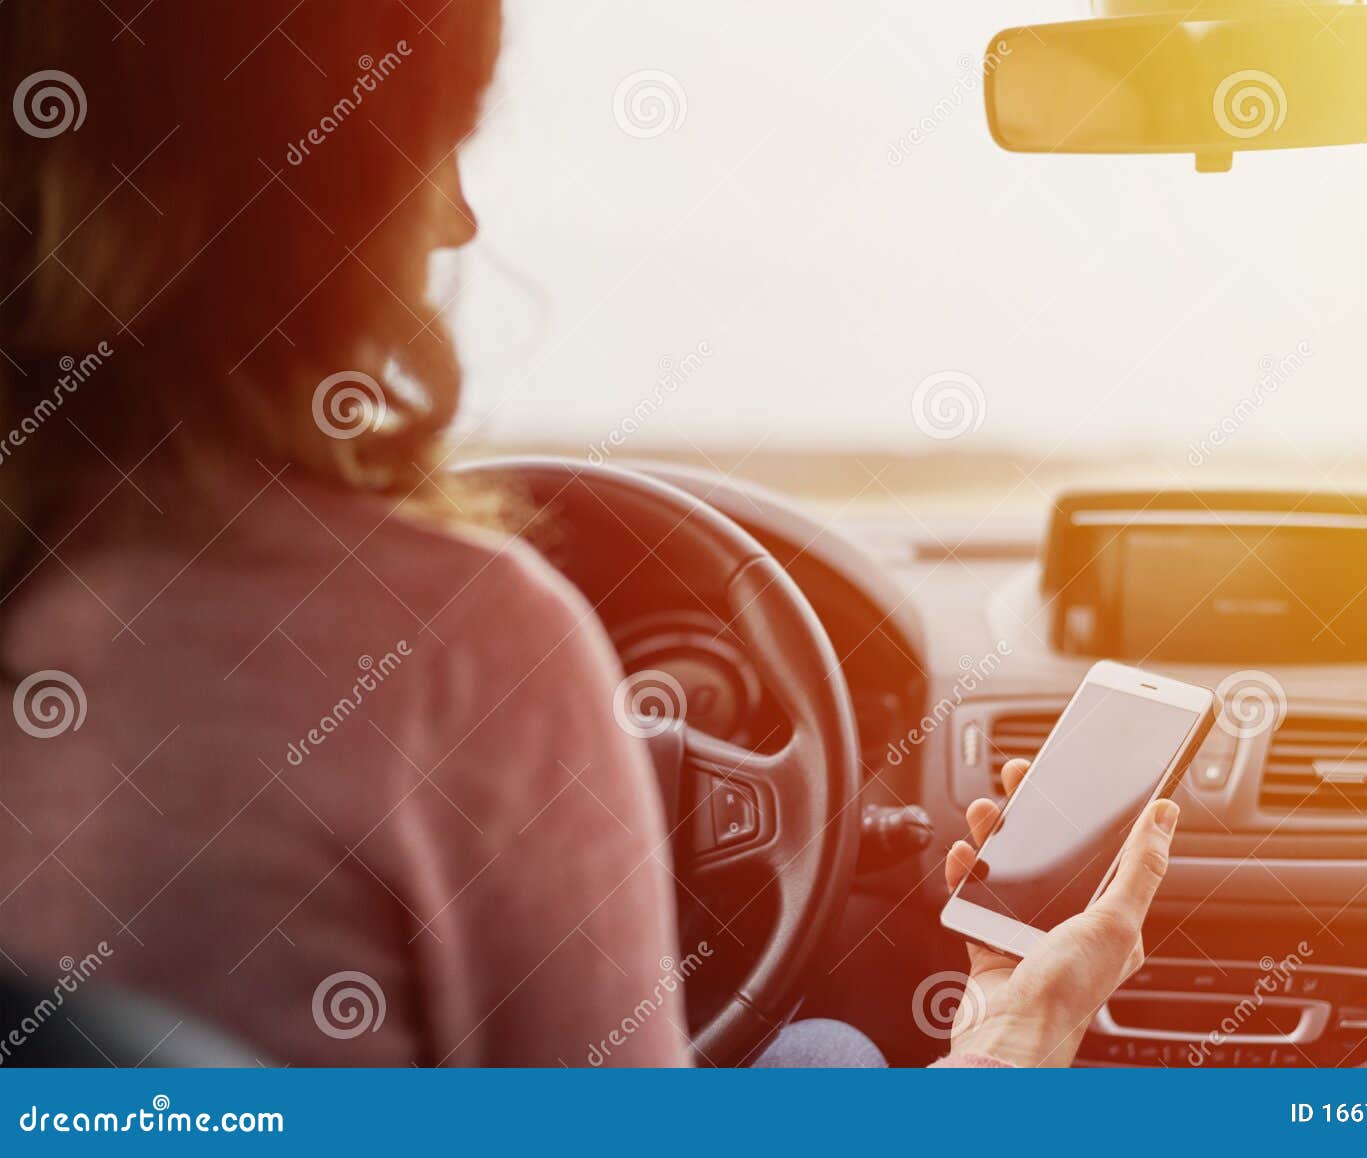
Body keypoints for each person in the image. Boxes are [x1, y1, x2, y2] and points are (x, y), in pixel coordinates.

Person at [0, 0, 1177, 1067]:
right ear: (317, 199)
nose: (458, 219)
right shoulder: (463, 642)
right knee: (828, 1057)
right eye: (434, 149)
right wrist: (1018, 1028)